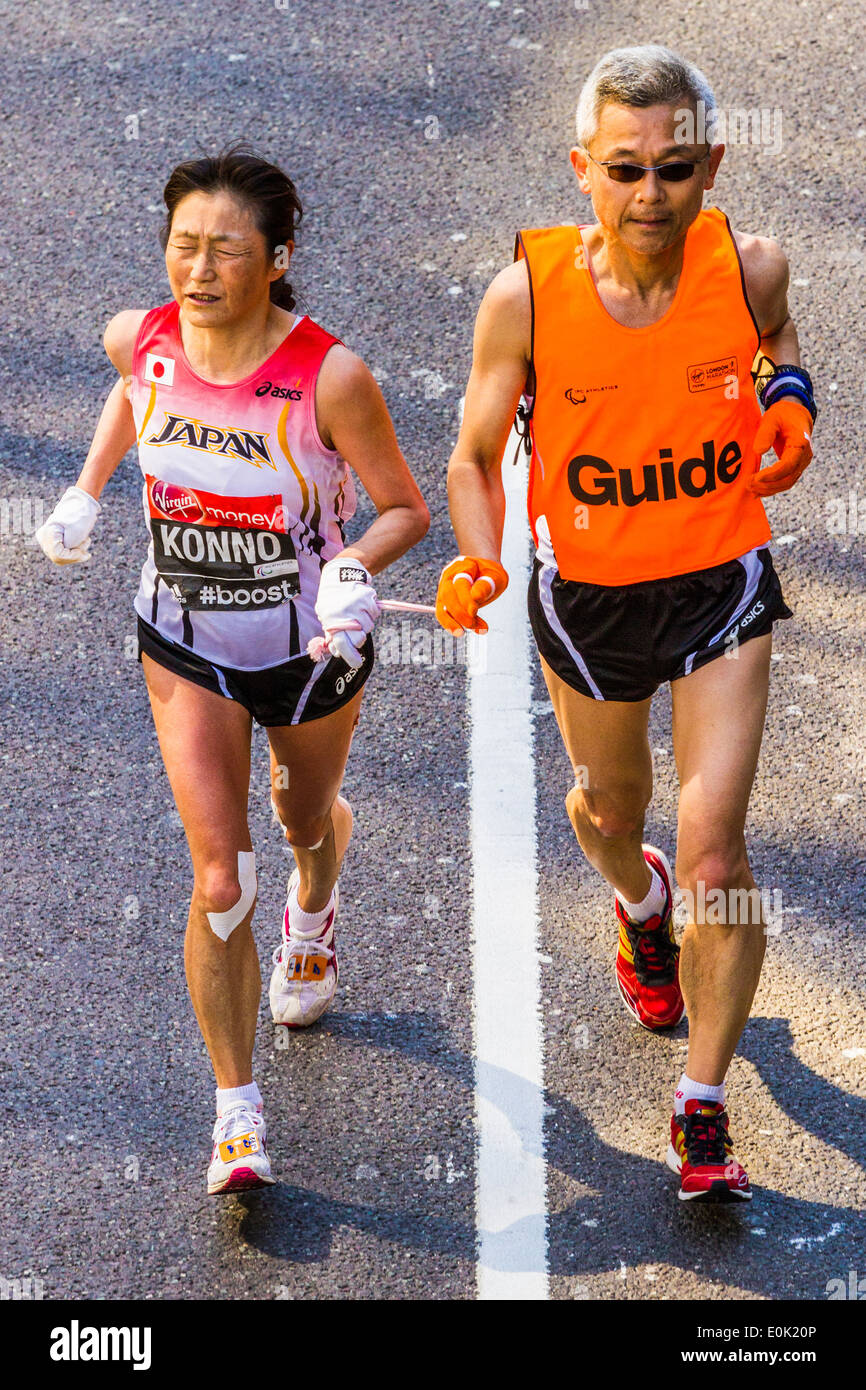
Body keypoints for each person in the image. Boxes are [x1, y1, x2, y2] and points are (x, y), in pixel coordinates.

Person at [437, 46, 815, 1202]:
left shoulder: (748, 266)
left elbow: (775, 346)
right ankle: (635, 899)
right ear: (580, 172)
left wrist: (788, 404)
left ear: (710, 161)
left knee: (719, 854)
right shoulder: (527, 297)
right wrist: (477, 556)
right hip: (587, 600)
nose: (650, 192)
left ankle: (700, 1104)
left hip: (718, 583)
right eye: (623, 169)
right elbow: (469, 453)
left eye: (674, 166)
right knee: (609, 812)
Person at [36, 145, 429, 1195]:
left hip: (308, 650)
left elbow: (405, 505)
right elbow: (134, 387)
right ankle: (237, 1115)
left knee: (303, 826)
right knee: (219, 872)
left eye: (225, 251)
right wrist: (87, 490)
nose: (198, 270)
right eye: (184, 246)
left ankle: (316, 903)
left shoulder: (328, 376)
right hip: (186, 637)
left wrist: (350, 566)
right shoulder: (143, 335)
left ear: (277, 258)